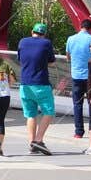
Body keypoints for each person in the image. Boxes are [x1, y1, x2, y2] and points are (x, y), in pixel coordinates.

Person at [16, 21, 56, 155]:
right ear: (44, 34)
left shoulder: (22, 42)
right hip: (41, 84)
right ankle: (38, 141)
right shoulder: (46, 43)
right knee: (49, 111)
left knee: (31, 115)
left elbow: (20, 59)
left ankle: (31, 143)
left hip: (25, 84)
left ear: (32, 32)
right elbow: (51, 61)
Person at [65, 19, 91, 139]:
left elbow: (68, 56)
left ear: (80, 27)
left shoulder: (70, 39)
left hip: (76, 75)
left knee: (77, 104)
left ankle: (79, 131)